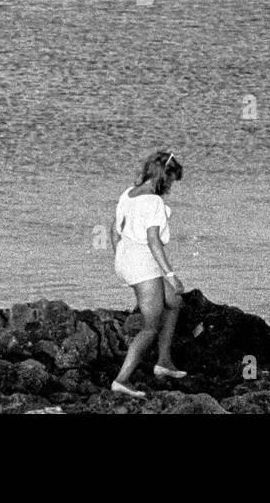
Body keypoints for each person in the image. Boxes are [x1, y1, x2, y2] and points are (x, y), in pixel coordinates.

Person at [109, 149, 186, 397]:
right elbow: (154, 241)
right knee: (150, 327)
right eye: (172, 180)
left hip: (126, 259)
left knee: (173, 301)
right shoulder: (154, 202)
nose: (172, 186)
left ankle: (164, 362)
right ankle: (121, 380)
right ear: (164, 177)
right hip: (143, 264)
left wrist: (120, 259)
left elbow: (114, 231)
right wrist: (171, 274)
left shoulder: (128, 195)